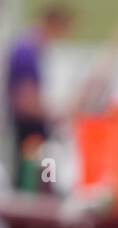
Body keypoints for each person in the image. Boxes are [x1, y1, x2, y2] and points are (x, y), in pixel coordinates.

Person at [5, 3, 73, 189]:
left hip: (39, 133)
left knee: (46, 180)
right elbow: (25, 102)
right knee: (34, 185)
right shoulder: (27, 51)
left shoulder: (38, 51)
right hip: (31, 135)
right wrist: (57, 111)